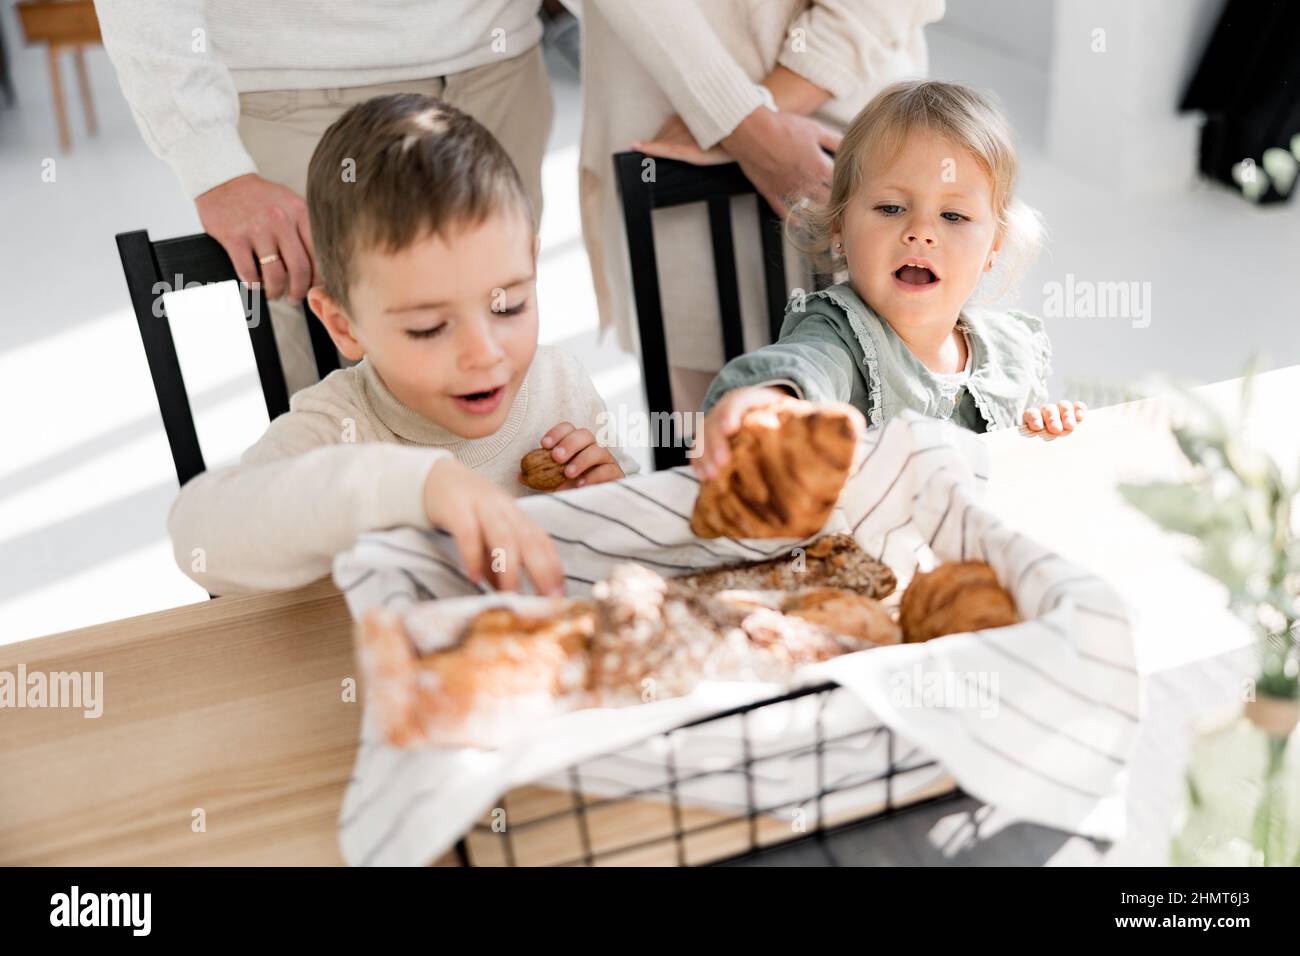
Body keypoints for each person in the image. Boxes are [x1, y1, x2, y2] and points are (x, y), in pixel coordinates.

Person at [167, 96, 635, 596]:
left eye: (507, 306)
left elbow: (631, 550)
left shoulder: (560, 385)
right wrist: (409, 487)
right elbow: (198, 536)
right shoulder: (338, 428)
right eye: (429, 328)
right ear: (344, 326)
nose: (484, 353)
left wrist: (607, 507)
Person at [94, 0, 553, 395]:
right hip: (292, 82)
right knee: (339, 397)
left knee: (500, 331)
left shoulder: (565, 392)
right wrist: (213, 165)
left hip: (500, 60)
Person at [695, 80, 1087, 480]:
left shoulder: (1010, 351)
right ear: (839, 228)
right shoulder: (840, 336)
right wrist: (769, 398)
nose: (921, 231)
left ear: (993, 247)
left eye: (953, 216)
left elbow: (1016, 478)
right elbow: (805, 365)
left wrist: (1041, 427)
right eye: (891, 207)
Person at [577, 0, 946, 416]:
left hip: (857, 115)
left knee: (889, 397)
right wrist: (741, 121)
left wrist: (746, 118)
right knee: (708, 419)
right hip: (667, 115)